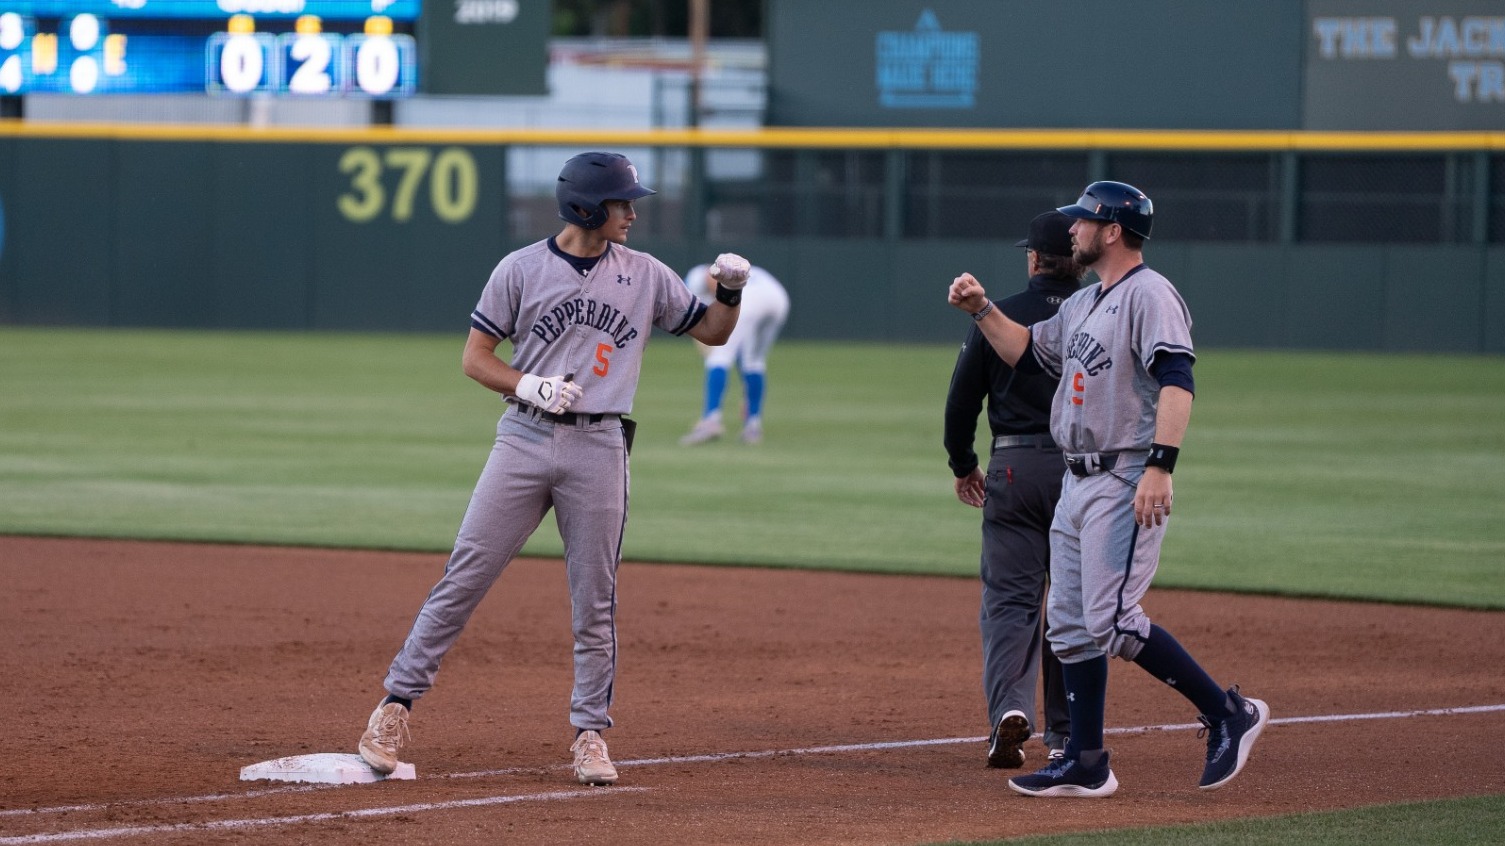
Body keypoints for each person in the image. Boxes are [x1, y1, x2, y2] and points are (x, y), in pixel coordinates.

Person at [356, 152, 749, 786]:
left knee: (595, 600)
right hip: (523, 439)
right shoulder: (520, 269)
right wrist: (527, 387)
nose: (632, 212)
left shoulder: (645, 273)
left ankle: (590, 733)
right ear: (588, 208)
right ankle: (394, 708)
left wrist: (729, 291)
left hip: (600, 447)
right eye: (623, 203)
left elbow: (713, 333)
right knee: (465, 575)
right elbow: (475, 358)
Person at [947, 181, 1270, 798]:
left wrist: (1160, 465)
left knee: (1112, 619)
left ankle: (1229, 711)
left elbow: (1177, 378)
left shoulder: (1151, 295)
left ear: (1112, 231)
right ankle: (1087, 761)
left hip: (1125, 473)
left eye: (1082, 221)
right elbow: (1024, 352)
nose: (1071, 231)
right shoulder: (1084, 302)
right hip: (1075, 479)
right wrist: (983, 310)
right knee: (1068, 624)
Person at [943, 211, 1083, 771]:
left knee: (1011, 602)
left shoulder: (999, 316)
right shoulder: (1098, 314)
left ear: (1032, 259)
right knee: (1072, 605)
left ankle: (1009, 711)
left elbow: (961, 402)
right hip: (1084, 472)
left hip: (1013, 470)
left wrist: (963, 463)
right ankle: (1070, 733)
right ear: (1078, 258)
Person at [678, 262, 790, 445]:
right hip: (778, 299)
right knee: (753, 361)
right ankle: (753, 425)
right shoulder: (732, 266)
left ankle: (711, 421)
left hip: (749, 299)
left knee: (719, 358)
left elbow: (709, 279)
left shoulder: (695, 277)